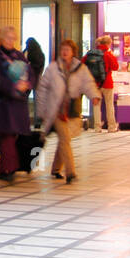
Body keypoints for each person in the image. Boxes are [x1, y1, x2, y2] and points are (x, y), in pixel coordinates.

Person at [35, 40, 97, 184]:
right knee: (64, 139)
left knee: (65, 140)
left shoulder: (80, 68)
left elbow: (88, 83)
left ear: (73, 52)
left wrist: (94, 95)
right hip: (56, 109)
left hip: (72, 110)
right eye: (62, 49)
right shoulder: (53, 68)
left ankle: (56, 169)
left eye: (67, 49)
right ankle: (70, 172)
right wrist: (41, 110)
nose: (64, 52)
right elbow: (43, 88)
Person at [0, 26, 33, 181]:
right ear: (2, 38)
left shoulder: (19, 55)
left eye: (12, 37)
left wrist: (26, 84)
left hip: (18, 103)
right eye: (7, 37)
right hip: (4, 103)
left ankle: (5, 168)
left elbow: (30, 73)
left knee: (13, 136)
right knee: (7, 135)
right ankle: (9, 168)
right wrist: (12, 87)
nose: (10, 40)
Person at [24, 37, 45, 126]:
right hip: (38, 78)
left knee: (24, 99)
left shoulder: (26, 51)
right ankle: (38, 121)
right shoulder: (40, 54)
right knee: (38, 101)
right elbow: (41, 66)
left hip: (28, 78)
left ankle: (24, 118)